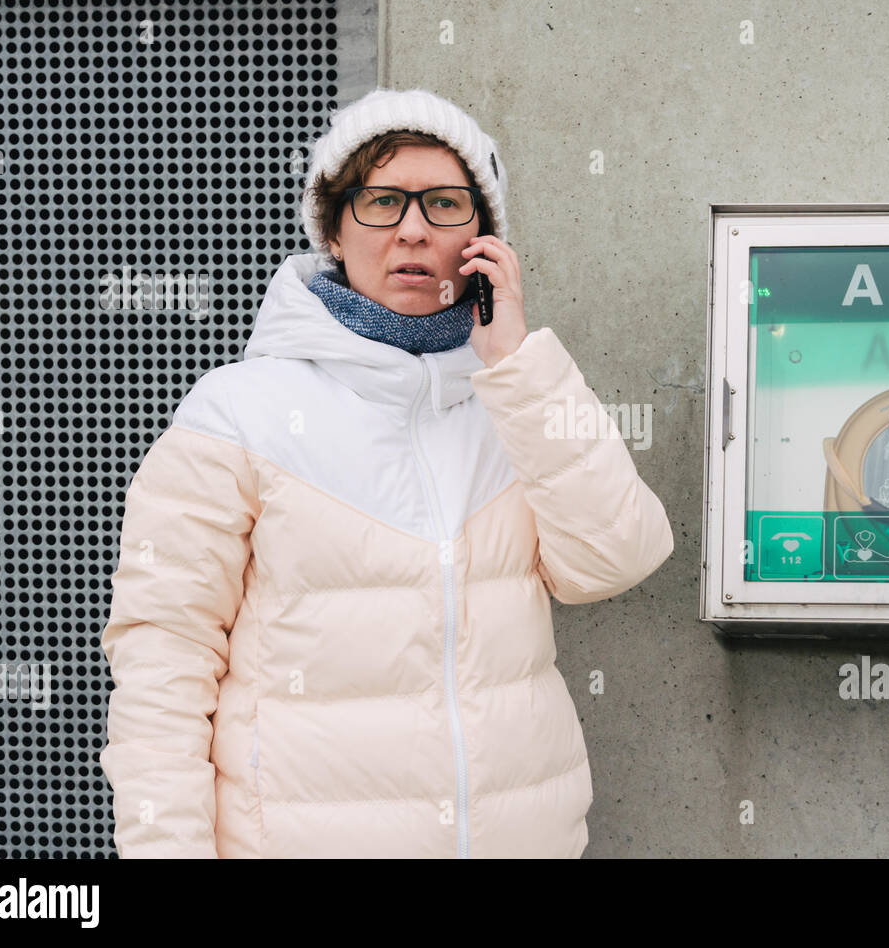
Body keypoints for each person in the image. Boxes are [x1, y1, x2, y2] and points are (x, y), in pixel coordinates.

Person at [98, 88, 674, 858]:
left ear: (483, 237)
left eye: (445, 203)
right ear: (334, 228)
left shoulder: (519, 400)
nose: (412, 228)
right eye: (381, 201)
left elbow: (615, 560)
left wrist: (516, 364)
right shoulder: (237, 414)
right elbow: (162, 671)